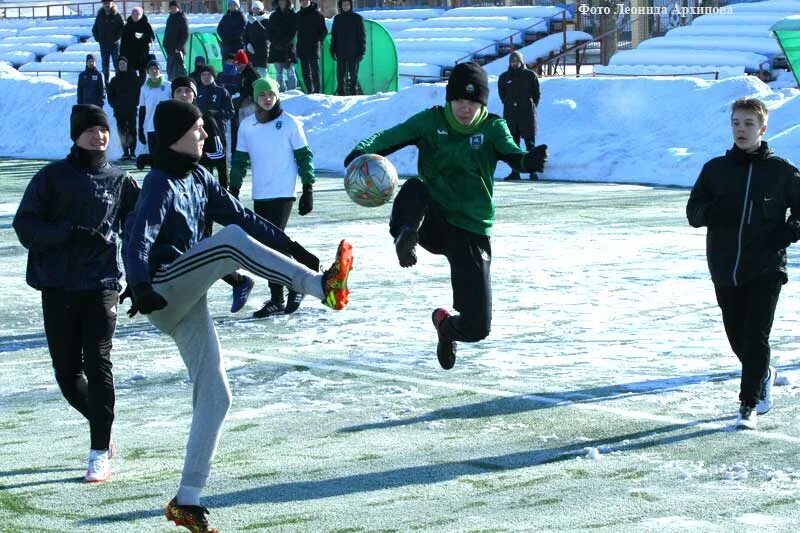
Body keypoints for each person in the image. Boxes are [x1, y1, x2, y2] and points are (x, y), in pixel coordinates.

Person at [123, 99, 352, 531]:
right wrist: (138, 284)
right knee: (229, 242)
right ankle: (320, 287)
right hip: (161, 287)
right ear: (176, 136)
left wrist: (291, 246)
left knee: (217, 395)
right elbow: (138, 240)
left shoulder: (201, 177)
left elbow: (245, 216)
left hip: (182, 296)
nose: (206, 135)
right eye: (197, 129)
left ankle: (186, 501)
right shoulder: (158, 182)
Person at [344, 62, 547, 369]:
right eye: (459, 101)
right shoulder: (431, 121)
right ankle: (404, 234)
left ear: (483, 103)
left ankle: (445, 327)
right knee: (415, 187)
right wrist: (359, 153)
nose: (465, 108)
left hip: (471, 228)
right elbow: (387, 137)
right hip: (430, 220)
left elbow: (512, 154)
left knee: (478, 327)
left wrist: (527, 161)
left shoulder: (493, 127)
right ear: (450, 99)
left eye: (473, 102)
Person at [13, 104, 140, 483]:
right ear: (76, 135)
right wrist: (66, 232)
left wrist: (139, 275)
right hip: (58, 285)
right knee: (68, 374)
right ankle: (105, 425)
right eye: (91, 130)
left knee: (99, 365)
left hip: (102, 286)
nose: (99, 136)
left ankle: (99, 451)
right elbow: (26, 225)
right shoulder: (51, 177)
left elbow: (138, 233)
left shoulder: (121, 181)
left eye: (104, 130)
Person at [686, 97, 800, 430]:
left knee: (756, 336)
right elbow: (693, 213)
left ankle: (748, 404)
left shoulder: (781, 172)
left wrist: (791, 230)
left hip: (766, 266)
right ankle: (762, 372)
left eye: (749, 124)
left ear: (763, 128)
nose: (741, 129)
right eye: (736, 122)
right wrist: (710, 213)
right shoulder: (715, 170)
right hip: (724, 267)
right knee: (737, 336)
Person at [230, 77, 316, 317]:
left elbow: (304, 156)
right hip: (261, 193)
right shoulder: (248, 126)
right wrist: (233, 189)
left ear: (277, 96)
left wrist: (308, 188)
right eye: (262, 95)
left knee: (274, 247)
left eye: (271, 95)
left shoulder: (290, 123)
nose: (267, 99)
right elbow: (239, 161)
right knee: (267, 247)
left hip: (283, 193)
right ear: (256, 98)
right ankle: (278, 297)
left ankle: (293, 287)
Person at [498, 50, 541, 180]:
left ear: (521, 61)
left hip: (527, 114)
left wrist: (530, 106)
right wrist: (509, 104)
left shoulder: (530, 75)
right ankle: (515, 171)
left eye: (516, 61)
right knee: (513, 145)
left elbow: (536, 94)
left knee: (530, 144)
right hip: (511, 115)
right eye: (512, 61)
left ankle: (533, 171)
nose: (514, 63)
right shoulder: (504, 77)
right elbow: (502, 95)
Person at [136, 59, 172, 159]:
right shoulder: (144, 88)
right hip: (151, 126)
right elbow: (142, 109)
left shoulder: (168, 86)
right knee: (154, 155)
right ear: (148, 72)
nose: (154, 71)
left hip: (166, 126)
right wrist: (140, 130)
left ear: (160, 70)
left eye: (156, 68)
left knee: (166, 155)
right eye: (151, 69)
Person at [107, 56, 140, 159]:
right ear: (118, 66)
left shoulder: (134, 78)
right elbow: (110, 95)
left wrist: (135, 103)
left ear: (127, 65)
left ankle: (133, 152)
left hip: (131, 109)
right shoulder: (114, 80)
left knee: (132, 130)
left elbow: (138, 93)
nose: (122, 66)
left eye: (123, 64)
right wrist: (114, 105)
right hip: (119, 110)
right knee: (122, 131)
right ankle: (125, 152)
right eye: (120, 64)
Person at [330, 0, 365, 96]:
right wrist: (332, 50)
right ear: (341, 6)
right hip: (340, 52)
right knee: (340, 76)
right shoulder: (337, 18)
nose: (345, 6)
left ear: (351, 5)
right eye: (343, 5)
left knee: (353, 76)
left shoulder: (357, 18)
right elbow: (334, 36)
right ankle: (341, 94)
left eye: (347, 4)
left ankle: (354, 94)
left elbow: (362, 37)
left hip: (354, 53)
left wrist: (361, 52)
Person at [296, 0, 327, 93]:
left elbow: (324, 31)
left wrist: (317, 40)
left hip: (313, 46)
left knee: (315, 71)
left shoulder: (317, 14)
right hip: (302, 46)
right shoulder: (298, 15)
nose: (304, 2)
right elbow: (294, 30)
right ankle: (309, 91)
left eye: (306, 0)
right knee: (305, 72)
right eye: (302, 1)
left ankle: (317, 92)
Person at [267, 0, 298, 92]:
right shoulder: (273, 15)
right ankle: (281, 91)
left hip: (289, 48)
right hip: (276, 47)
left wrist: (286, 43)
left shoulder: (293, 15)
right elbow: (269, 31)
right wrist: (275, 42)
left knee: (290, 72)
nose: (281, 3)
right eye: (280, 1)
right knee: (279, 73)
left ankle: (292, 91)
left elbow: (293, 31)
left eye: (283, 1)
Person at [91, 0, 124, 83]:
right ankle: (105, 83)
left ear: (112, 4)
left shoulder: (117, 15)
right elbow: (94, 29)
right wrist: (98, 38)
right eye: (105, 3)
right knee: (105, 65)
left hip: (115, 45)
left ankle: (119, 81)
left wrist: (117, 37)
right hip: (103, 45)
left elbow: (122, 28)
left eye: (108, 3)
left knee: (117, 64)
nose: (107, 5)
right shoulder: (100, 16)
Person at [120, 6, 155, 83]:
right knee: (130, 73)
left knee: (142, 72)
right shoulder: (127, 25)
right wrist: (122, 54)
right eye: (133, 14)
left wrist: (142, 36)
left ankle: (142, 86)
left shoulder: (146, 25)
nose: (135, 15)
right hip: (129, 54)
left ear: (141, 15)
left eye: (137, 14)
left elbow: (152, 38)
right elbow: (123, 41)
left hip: (142, 53)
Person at [163, 0, 189, 80]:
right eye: (171, 8)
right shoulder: (170, 18)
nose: (173, 9)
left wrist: (178, 48)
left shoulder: (182, 18)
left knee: (179, 71)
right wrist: (165, 43)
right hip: (170, 49)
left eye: (175, 7)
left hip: (178, 50)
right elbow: (167, 32)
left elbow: (186, 34)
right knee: (170, 71)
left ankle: (180, 86)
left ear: (178, 8)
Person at [233, 49, 261, 122]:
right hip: (244, 102)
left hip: (252, 104)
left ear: (245, 63)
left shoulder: (252, 73)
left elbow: (258, 87)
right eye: (236, 64)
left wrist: (251, 99)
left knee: (249, 122)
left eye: (240, 64)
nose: (238, 66)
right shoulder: (243, 73)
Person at [243, 0, 269, 77]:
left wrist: (255, 22)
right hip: (251, 50)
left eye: (257, 8)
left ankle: (266, 85)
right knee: (253, 71)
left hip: (262, 50)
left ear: (261, 9)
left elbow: (265, 33)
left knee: (263, 71)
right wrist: (247, 44)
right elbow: (245, 34)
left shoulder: (266, 20)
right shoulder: (250, 21)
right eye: (254, 8)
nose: (255, 10)